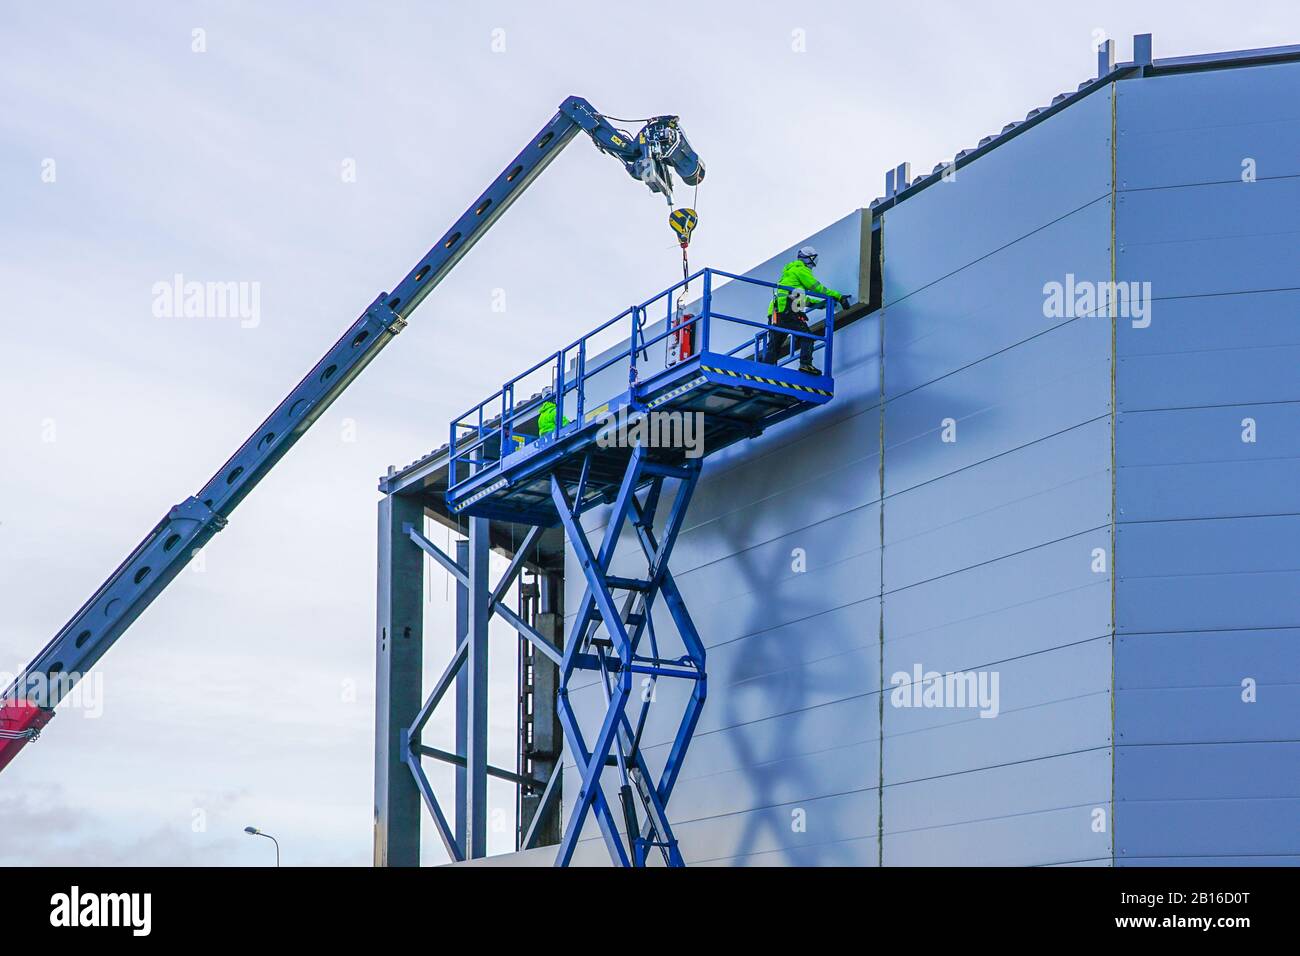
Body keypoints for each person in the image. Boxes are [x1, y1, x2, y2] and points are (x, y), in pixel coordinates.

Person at [763, 245, 853, 375]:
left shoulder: (789, 273)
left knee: (774, 345)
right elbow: (818, 288)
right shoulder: (801, 270)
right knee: (807, 337)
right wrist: (838, 296)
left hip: (776, 313)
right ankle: (805, 364)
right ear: (810, 259)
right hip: (789, 311)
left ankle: (765, 369)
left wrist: (821, 304)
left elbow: (800, 298)